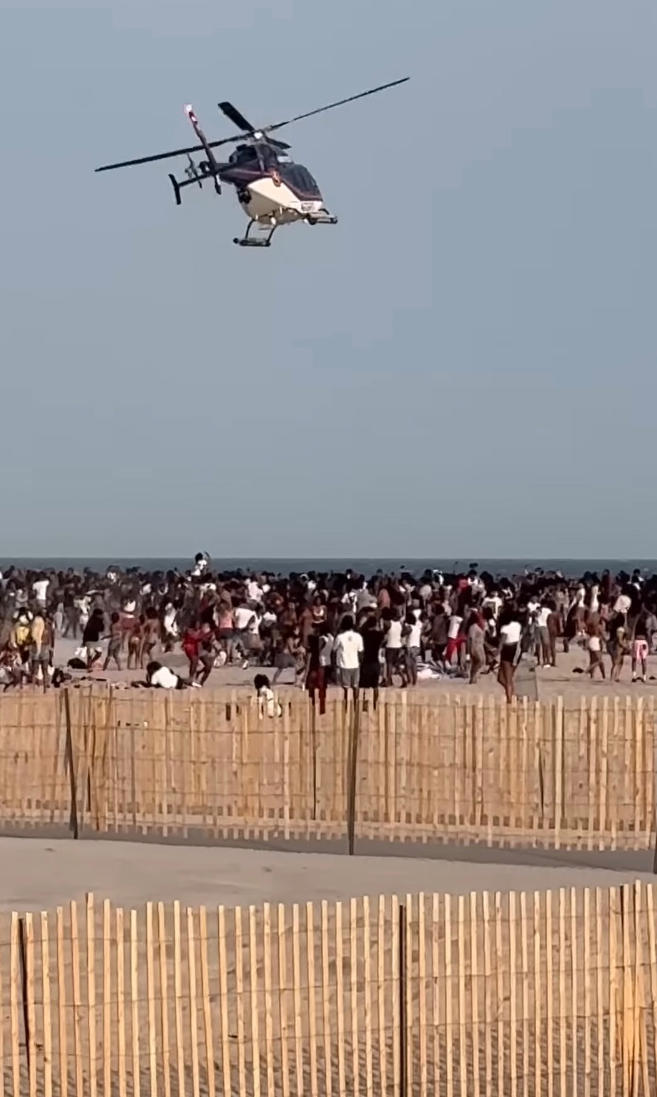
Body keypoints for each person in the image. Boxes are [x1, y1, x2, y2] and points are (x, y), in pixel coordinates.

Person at [333, 615, 363, 700]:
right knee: (355, 686)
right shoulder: (358, 636)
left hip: (344, 665)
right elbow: (360, 651)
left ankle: (346, 706)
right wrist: (360, 662)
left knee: (345, 688)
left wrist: (334, 664)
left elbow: (334, 650)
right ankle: (355, 704)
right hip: (355, 664)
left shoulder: (340, 637)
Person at [497, 609, 521, 703]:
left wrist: (496, 654)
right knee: (503, 678)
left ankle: (510, 700)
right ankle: (512, 694)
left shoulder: (504, 628)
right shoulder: (517, 625)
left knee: (507, 679)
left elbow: (502, 643)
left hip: (507, 650)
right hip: (516, 650)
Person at [466, 611, 486, 684]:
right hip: (476, 646)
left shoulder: (475, 626)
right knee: (480, 661)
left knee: (476, 662)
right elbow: (470, 639)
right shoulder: (473, 627)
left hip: (478, 645)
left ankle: (473, 678)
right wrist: (469, 651)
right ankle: (473, 675)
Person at [631, 613, 650, 683]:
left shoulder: (636, 621)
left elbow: (633, 629)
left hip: (637, 640)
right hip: (643, 641)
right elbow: (648, 633)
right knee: (643, 660)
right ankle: (644, 677)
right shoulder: (646, 622)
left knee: (634, 659)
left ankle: (634, 676)